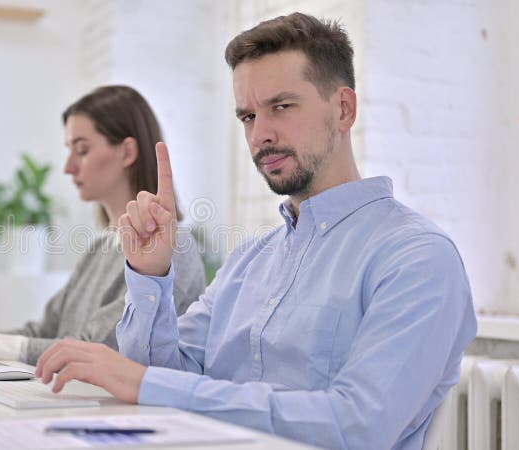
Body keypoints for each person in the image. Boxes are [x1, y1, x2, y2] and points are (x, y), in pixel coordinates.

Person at [34, 13, 477, 450]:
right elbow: (162, 376)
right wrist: (149, 274)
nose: (260, 134)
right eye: (247, 116)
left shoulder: (417, 258)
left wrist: (150, 384)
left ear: (343, 109)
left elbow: (355, 426)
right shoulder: (250, 259)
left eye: (281, 107)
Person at [0, 85, 205, 365]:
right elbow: (43, 332)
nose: (68, 167)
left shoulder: (173, 250)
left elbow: (98, 349)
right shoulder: (100, 248)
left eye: (81, 150)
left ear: (127, 152)